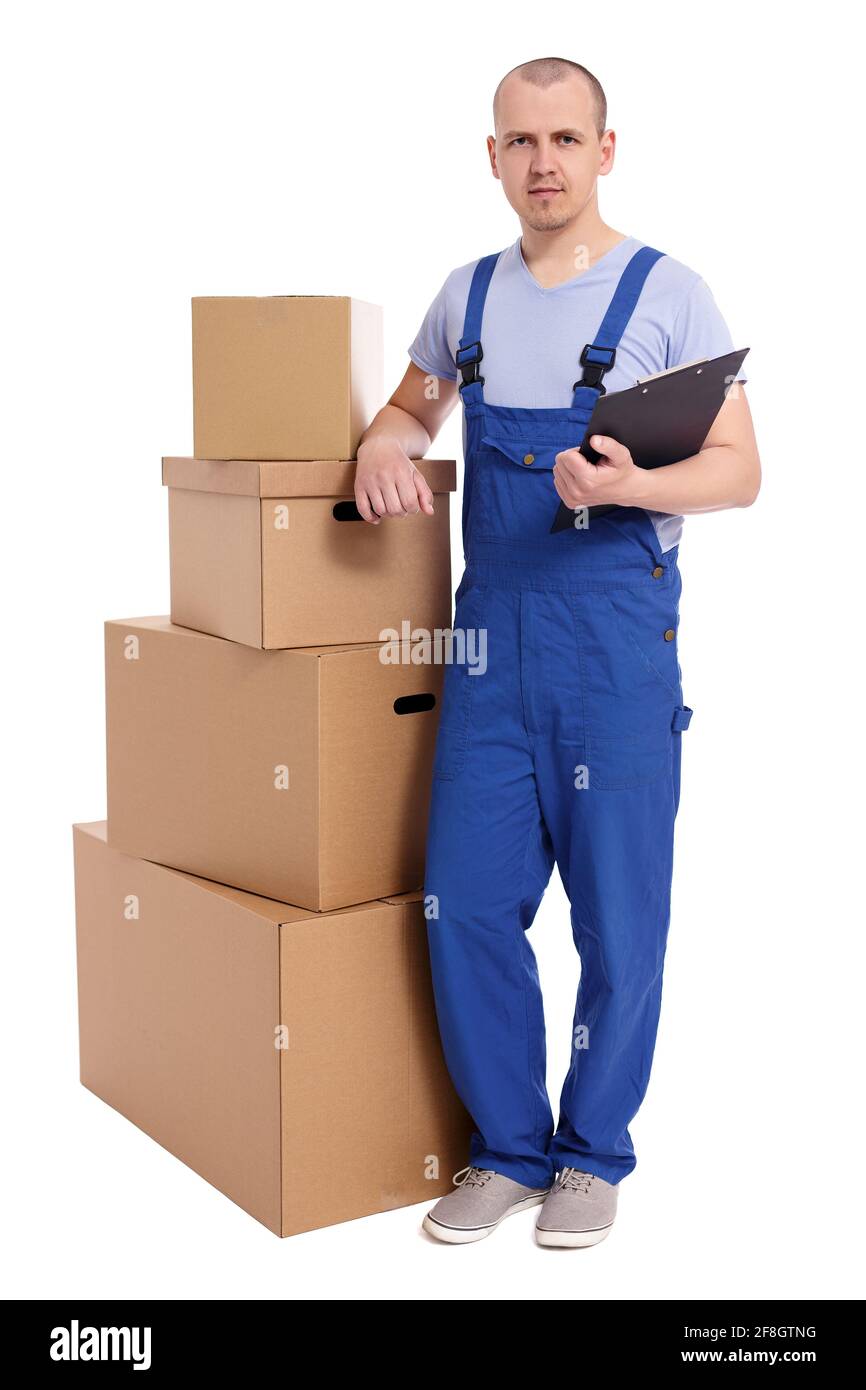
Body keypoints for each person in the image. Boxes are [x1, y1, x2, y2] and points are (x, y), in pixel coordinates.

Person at [354, 56, 761, 1249]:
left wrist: (637, 480)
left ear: (603, 149)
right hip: (491, 647)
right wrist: (385, 440)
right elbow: (408, 408)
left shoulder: (666, 294)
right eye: (519, 143)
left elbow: (740, 470)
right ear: (492, 157)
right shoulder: (463, 299)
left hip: (616, 649)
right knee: (466, 904)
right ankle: (504, 1148)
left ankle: (589, 1156)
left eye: (565, 140)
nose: (543, 164)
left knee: (618, 916)